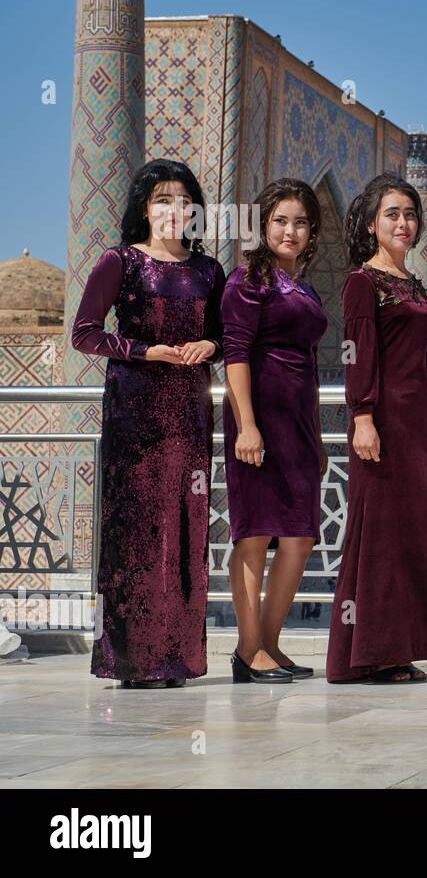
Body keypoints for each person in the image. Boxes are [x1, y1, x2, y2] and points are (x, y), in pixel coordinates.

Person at [71, 158, 226, 688]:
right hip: (135, 412)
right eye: (163, 200)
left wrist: (211, 345)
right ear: (144, 207)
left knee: (185, 528)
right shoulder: (121, 262)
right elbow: (85, 333)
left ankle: (177, 658)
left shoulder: (208, 270)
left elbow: (226, 335)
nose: (174, 210)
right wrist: (144, 350)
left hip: (188, 411)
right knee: (136, 531)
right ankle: (133, 661)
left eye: (183, 201)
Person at [325, 174, 427, 683]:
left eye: (410, 214)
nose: (404, 223)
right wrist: (362, 417)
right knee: (379, 535)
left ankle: (402, 647)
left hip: (419, 420)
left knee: (424, 534)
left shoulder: (412, 283)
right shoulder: (364, 281)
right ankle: (370, 654)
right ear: (373, 223)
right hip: (382, 422)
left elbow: (421, 361)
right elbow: (357, 353)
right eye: (393, 214)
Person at [221, 178, 329, 683]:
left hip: (299, 424)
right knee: (255, 532)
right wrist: (246, 425)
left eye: (301, 222)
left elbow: (306, 361)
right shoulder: (247, 280)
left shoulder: (302, 286)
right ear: (263, 226)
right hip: (258, 420)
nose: (291, 230)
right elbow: (236, 353)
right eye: (281, 220)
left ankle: (269, 642)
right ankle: (248, 649)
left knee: (301, 536)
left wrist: (316, 436)